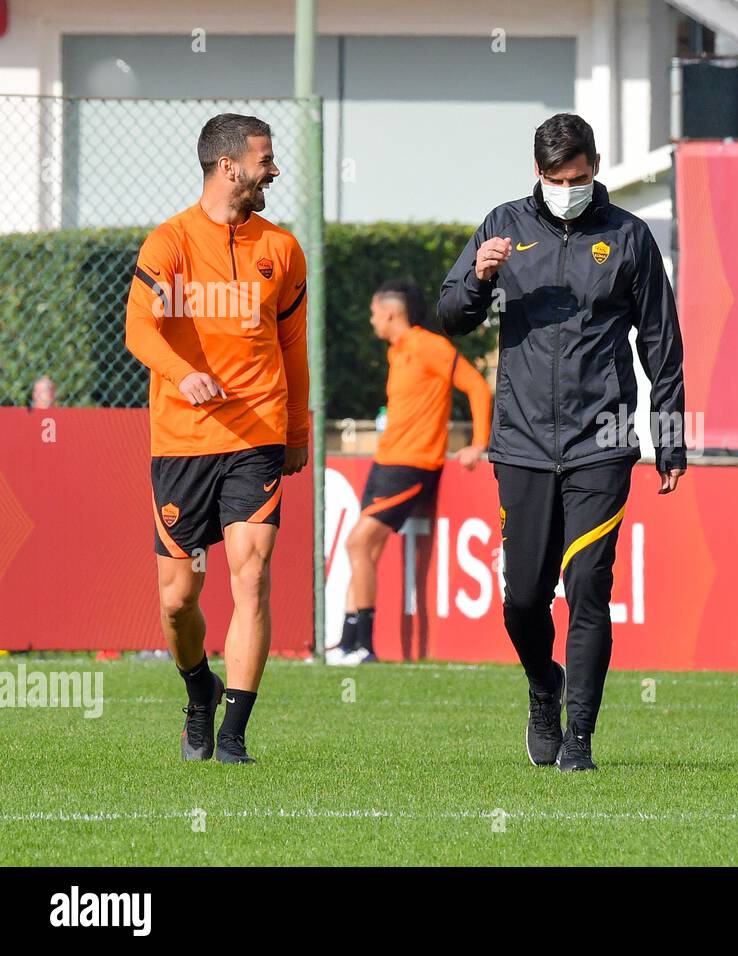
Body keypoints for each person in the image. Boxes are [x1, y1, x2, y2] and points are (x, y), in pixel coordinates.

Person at [437, 113, 686, 772]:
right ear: (538, 175)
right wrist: (478, 281)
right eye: (555, 179)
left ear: (596, 166)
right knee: (522, 600)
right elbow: (450, 316)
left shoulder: (628, 239)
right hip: (519, 441)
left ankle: (579, 738)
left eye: (577, 177)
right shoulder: (502, 226)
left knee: (588, 588)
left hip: (601, 442)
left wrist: (670, 434)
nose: (567, 188)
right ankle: (542, 686)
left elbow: (662, 340)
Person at [124, 113, 309, 765]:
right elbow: (139, 332)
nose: (275, 168)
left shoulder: (282, 249)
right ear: (228, 166)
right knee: (179, 601)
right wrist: (185, 373)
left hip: (256, 435)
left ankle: (232, 734)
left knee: (251, 574)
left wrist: (298, 427)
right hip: (181, 442)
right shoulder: (169, 241)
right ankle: (198, 691)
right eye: (265, 158)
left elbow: (293, 346)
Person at [331, 278, 492, 665]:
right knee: (363, 548)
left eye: (373, 313)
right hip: (386, 462)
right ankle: (346, 642)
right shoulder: (396, 352)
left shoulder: (429, 346)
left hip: (411, 465)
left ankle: (363, 646)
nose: (371, 321)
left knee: (356, 544)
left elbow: (477, 387)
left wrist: (479, 443)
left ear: (390, 312)